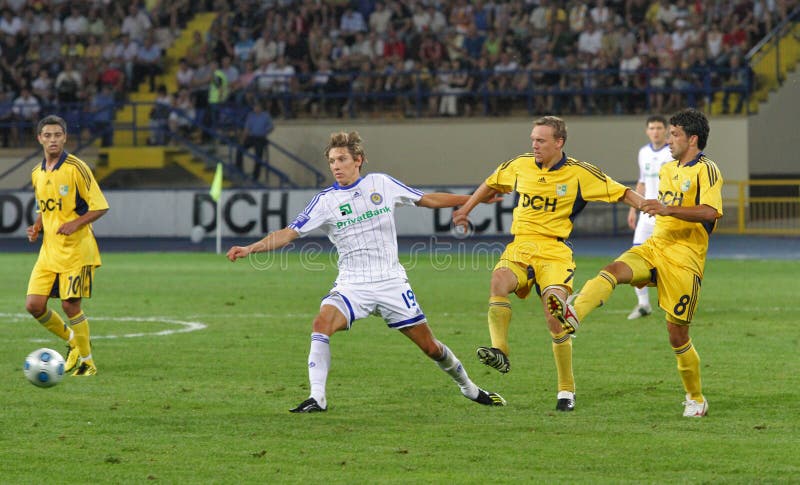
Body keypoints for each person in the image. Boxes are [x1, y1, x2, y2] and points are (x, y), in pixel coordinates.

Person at [227, 131, 506, 412]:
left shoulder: (381, 184)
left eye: (342, 159)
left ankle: (469, 388)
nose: (336, 166)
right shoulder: (325, 201)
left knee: (431, 347)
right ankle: (317, 397)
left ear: (358, 160)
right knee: (321, 324)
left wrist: (474, 199)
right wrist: (250, 248)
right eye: (332, 161)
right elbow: (288, 233)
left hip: (391, 283)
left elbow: (427, 199)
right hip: (352, 285)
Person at [451, 116, 644, 412]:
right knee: (498, 281)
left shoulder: (580, 173)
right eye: (533, 139)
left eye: (540, 140)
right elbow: (490, 183)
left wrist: (648, 205)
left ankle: (566, 390)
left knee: (555, 319)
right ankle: (500, 350)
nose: (534, 145)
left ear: (559, 142)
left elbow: (621, 192)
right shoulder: (520, 164)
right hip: (521, 246)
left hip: (554, 252)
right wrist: (465, 209)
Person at [548, 108, 722, 418]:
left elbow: (711, 212)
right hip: (655, 247)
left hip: (684, 260)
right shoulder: (667, 168)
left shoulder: (707, 169)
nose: (669, 139)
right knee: (613, 270)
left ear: (692, 139)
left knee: (677, 335)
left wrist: (668, 210)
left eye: (675, 135)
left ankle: (696, 398)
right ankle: (573, 316)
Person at [25, 115, 110, 377]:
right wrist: (37, 226)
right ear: (39, 138)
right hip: (49, 251)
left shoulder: (76, 168)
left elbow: (100, 206)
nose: (52, 140)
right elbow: (45, 207)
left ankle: (87, 362)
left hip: (76, 250)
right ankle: (73, 341)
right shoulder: (37, 173)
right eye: (47, 135)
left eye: (57, 135)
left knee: (70, 305)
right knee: (34, 305)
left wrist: (75, 224)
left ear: (65, 138)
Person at [626, 115, 672, 319]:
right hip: (646, 215)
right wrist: (633, 209)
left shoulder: (672, 153)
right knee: (636, 257)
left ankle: (675, 300)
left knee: (669, 262)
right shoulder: (643, 152)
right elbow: (642, 182)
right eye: (652, 128)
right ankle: (643, 304)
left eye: (659, 128)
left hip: (666, 214)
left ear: (666, 130)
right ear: (647, 131)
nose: (655, 132)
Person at [235, 102, 273, 183]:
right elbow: (246, 128)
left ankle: (255, 176)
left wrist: (264, 132)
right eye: (255, 107)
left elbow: (271, 127)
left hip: (260, 138)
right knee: (239, 149)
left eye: (258, 107)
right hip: (251, 137)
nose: (256, 109)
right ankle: (239, 170)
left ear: (261, 108)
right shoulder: (250, 115)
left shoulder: (266, 115)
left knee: (258, 156)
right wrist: (242, 140)